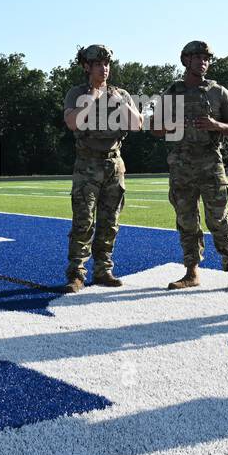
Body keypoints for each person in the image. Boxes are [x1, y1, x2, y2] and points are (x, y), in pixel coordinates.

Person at [148, 40, 228, 293]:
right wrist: (171, 125)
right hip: (181, 166)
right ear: (185, 60)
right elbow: (153, 128)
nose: (203, 62)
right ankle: (191, 271)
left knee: (219, 219)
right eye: (197, 57)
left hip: (210, 164)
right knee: (186, 221)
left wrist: (216, 125)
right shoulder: (172, 93)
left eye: (206, 58)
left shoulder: (219, 92)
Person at [62, 44, 142, 293]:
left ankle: (103, 269)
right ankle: (77, 273)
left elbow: (137, 125)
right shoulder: (77, 92)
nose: (104, 69)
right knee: (83, 221)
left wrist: (122, 104)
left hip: (114, 164)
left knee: (110, 221)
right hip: (87, 164)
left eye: (107, 64)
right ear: (86, 66)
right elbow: (72, 123)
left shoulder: (121, 93)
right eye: (98, 64)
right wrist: (92, 100)